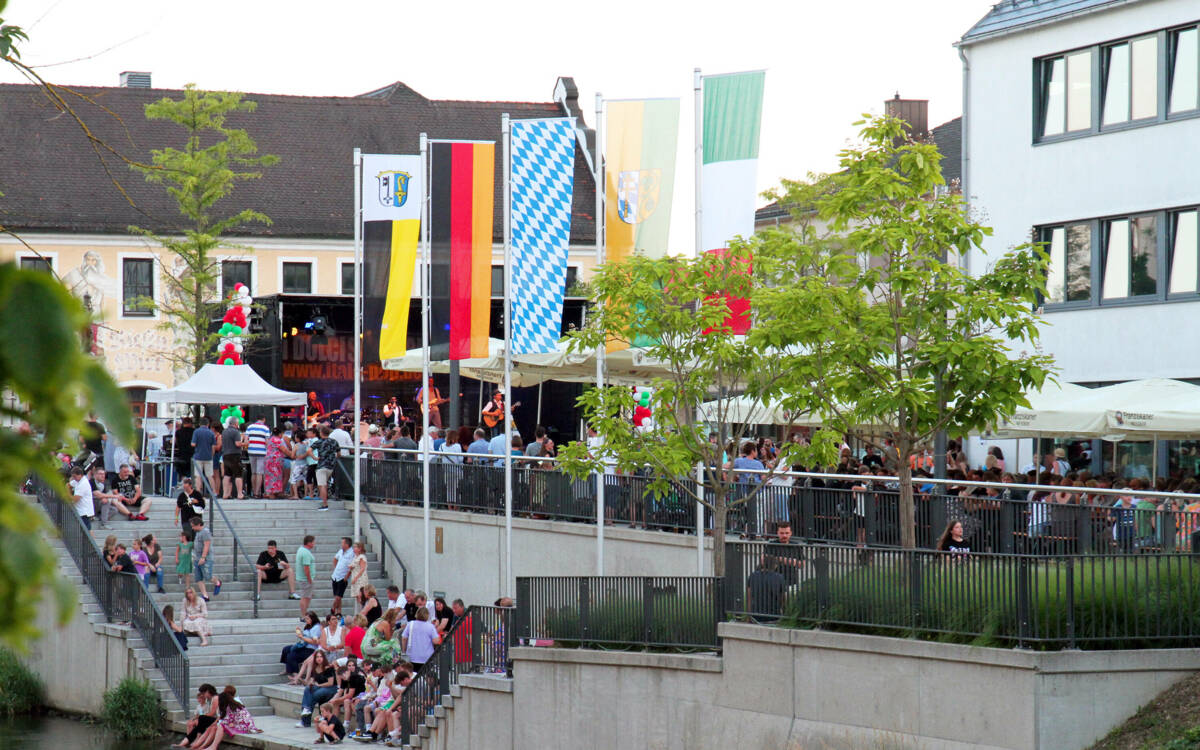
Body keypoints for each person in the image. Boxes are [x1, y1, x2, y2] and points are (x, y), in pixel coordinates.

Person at [192, 685, 261, 749]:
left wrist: (216, 724)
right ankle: (203, 745)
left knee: (220, 726)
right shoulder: (233, 704)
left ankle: (212, 746)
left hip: (244, 726)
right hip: (243, 724)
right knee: (215, 727)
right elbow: (226, 718)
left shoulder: (230, 707)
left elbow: (226, 721)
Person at [296, 649, 338, 727]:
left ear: (324, 658)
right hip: (321, 687)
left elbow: (330, 683)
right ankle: (306, 711)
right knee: (308, 689)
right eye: (317, 657)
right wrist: (305, 682)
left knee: (316, 694)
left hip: (331, 688)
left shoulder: (328, 668)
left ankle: (305, 716)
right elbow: (312, 681)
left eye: (321, 657)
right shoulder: (314, 668)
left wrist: (318, 685)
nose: (319, 658)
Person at [172, 683, 218, 748]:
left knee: (201, 718)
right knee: (196, 728)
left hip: (217, 719)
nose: (204, 696)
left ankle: (198, 738)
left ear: (207, 691)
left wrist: (200, 717)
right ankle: (182, 744)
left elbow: (212, 713)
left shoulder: (215, 698)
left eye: (204, 693)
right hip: (212, 719)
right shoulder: (210, 700)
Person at [282, 612, 323, 681]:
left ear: (312, 619)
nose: (306, 620)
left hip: (311, 649)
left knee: (291, 655)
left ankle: (296, 675)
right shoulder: (309, 625)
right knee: (286, 649)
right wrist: (300, 632)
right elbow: (306, 635)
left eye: (307, 619)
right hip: (304, 645)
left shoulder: (316, 628)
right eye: (305, 619)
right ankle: (288, 669)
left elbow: (314, 641)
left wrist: (302, 637)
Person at [189, 516, 220, 601]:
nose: (192, 528)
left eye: (193, 526)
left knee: (208, 576)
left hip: (205, 558)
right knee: (198, 577)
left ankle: (217, 582)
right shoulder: (198, 532)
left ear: (198, 524)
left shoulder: (205, 532)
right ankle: (205, 595)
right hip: (196, 557)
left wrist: (203, 557)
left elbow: (207, 545)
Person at [401, 607, 441, 672]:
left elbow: (404, 638)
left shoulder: (410, 624)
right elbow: (436, 641)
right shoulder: (430, 626)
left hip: (412, 656)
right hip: (426, 657)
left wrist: (404, 650)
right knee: (426, 676)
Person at [312, 426, 340, 511]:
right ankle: (323, 498)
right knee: (325, 483)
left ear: (321, 433)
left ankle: (324, 504)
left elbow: (309, 450)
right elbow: (339, 453)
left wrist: (314, 457)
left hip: (321, 465)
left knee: (322, 485)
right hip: (331, 466)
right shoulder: (334, 442)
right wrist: (335, 458)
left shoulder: (319, 442)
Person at [262, 425, 291, 499]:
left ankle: (274, 492)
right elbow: (284, 450)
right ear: (280, 434)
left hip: (269, 461)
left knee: (271, 476)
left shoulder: (270, 439)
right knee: (275, 477)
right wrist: (293, 455)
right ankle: (273, 493)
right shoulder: (278, 440)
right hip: (274, 462)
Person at [220, 418, 246, 500]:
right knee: (238, 474)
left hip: (225, 455)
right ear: (235, 424)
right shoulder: (236, 432)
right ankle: (239, 494)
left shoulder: (224, 432)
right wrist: (246, 443)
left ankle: (225, 494)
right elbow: (237, 444)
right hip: (234, 455)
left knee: (227, 475)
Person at [191, 417, 217, 492]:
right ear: (208, 424)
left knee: (198, 475)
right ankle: (214, 492)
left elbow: (193, 444)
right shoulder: (211, 432)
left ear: (199, 424)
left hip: (198, 456)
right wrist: (212, 454)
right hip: (208, 457)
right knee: (210, 475)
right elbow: (213, 446)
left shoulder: (196, 432)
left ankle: (198, 492)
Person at [331, 536, 355, 617]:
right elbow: (335, 558)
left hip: (343, 577)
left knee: (338, 597)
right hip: (335, 576)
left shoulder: (352, 553)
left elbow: (352, 566)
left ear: (347, 544)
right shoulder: (341, 551)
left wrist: (347, 576)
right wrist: (336, 568)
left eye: (342, 543)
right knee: (337, 597)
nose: (341, 544)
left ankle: (332, 609)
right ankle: (338, 612)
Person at [296, 535, 317, 618]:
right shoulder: (305, 553)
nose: (314, 544)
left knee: (307, 596)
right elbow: (306, 567)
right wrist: (309, 579)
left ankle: (304, 615)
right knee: (305, 597)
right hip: (305, 579)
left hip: (303, 578)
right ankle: (304, 616)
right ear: (309, 543)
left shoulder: (301, 550)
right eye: (313, 542)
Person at [348, 541, 370, 607]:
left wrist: (356, 578)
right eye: (353, 547)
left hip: (360, 578)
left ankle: (364, 610)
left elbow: (362, 569)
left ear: (360, 548)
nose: (354, 549)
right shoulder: (355, 557)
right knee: (357, 596)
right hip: (355, 577)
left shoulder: (361, 557)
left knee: (361, 595)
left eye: (355, 547)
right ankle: (361, 610)